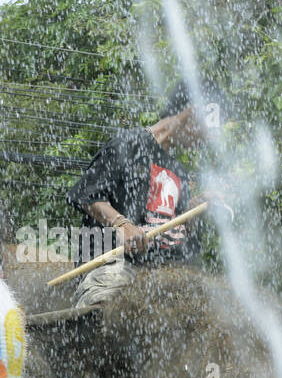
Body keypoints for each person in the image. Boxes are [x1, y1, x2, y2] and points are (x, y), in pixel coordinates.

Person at [66, 78, 234, 306]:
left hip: (162, 269)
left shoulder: (179, 172)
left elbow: (176, 224)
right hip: (115, 265)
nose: (205, 141)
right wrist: (121, 224)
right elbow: (87, 195)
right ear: (191, 114)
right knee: (104, 304)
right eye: (207, 132)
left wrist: (195, 207)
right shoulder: (126, 146)